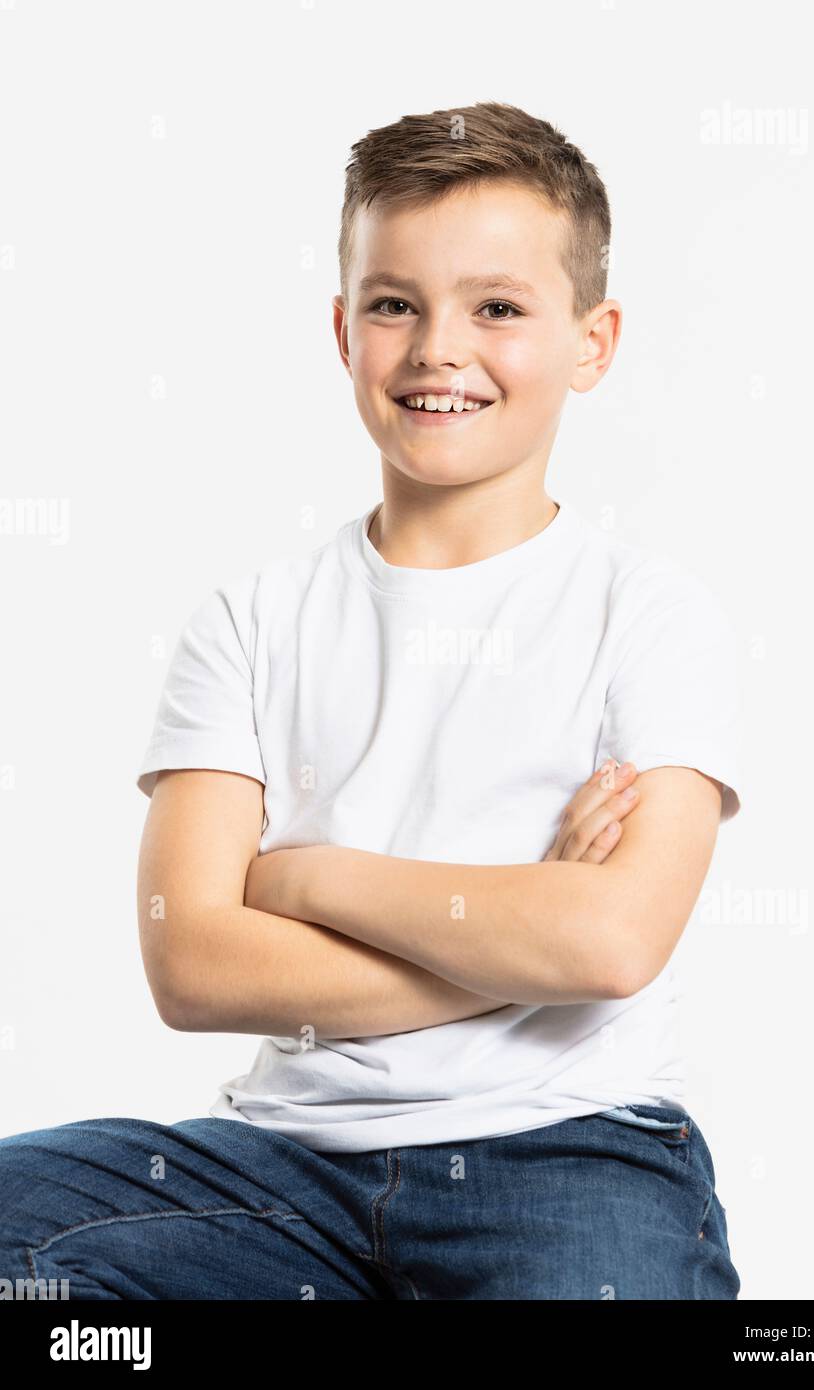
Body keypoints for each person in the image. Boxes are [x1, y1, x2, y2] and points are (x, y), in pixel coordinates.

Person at [0, 101, 743, 1300]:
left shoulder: (646, 615)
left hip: (566, 1150)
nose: (438, 347)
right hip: (281, 1168)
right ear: (345, 330)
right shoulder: (250, 623)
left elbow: (609, 943)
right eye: (396, 304)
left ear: (592, 342)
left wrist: (301, 878)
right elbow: (193, 963)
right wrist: (521, 930)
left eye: (498, 308)